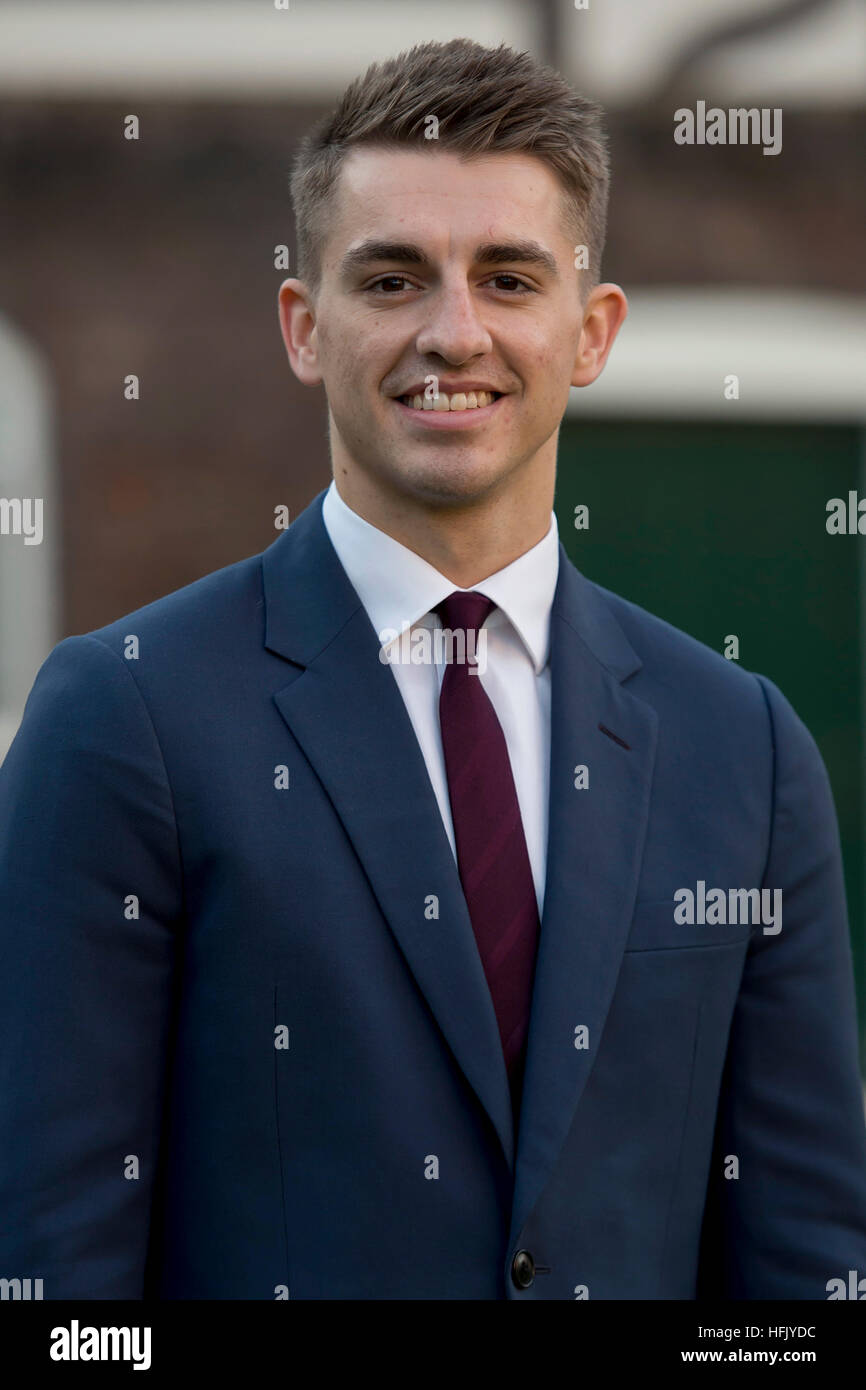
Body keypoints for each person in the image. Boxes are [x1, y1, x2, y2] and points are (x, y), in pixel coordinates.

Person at [1, 37, 865, 1302]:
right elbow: (50, 1281)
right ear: (305, 327)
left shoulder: (741, 745)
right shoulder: (125, 716)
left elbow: (802, 1276)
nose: (452, 333)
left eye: (508, 279)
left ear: (591, 329)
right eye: (394, 278)